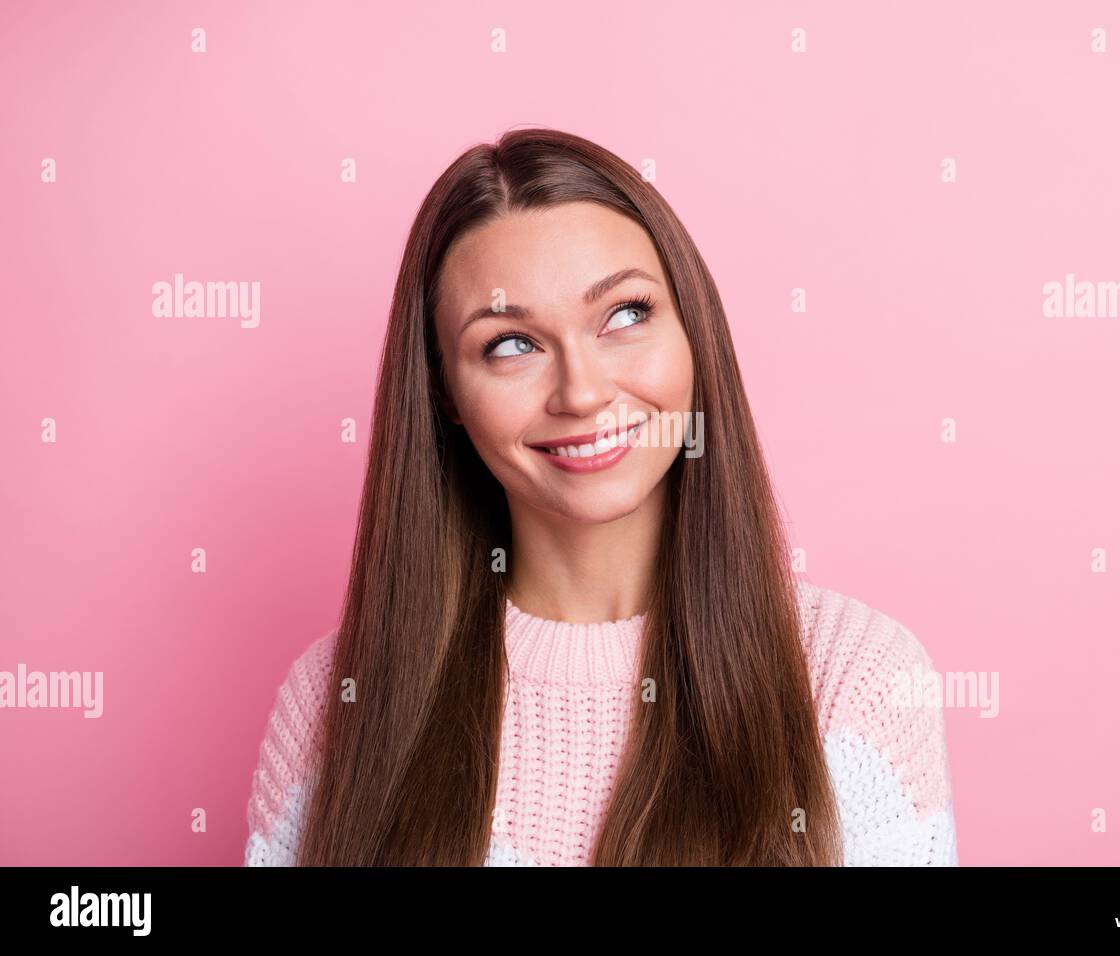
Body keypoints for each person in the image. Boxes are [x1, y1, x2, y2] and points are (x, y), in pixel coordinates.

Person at [244, 127, 958, 866]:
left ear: (693, 329)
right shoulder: (335, 702)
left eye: (624, 314)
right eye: (511, 343)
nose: (582, 393)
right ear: (445, 394)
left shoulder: (856, 678)